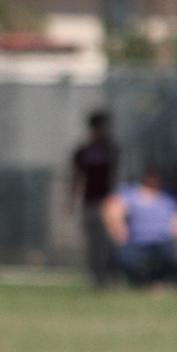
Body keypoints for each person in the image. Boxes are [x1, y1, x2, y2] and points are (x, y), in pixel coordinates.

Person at [101, 168, 177, 291]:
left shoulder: (170, 196)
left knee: (173, 257)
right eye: (150, 176)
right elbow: (111, 208)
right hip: (137, 240)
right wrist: (118, 230)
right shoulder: (130, 193)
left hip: (164, 239)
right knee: (125, 259)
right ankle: (141, 282)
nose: (153, 180)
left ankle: (157, 281)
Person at [68, 110, 118, 289]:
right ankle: (96, 278)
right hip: (89, 201)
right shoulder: (83, 150)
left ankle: (108, 275)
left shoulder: (111, 148)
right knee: (93, 243)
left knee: (107, 241)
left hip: (107, 202)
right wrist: (72, 200)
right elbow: (76, 177)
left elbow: (116, 175)